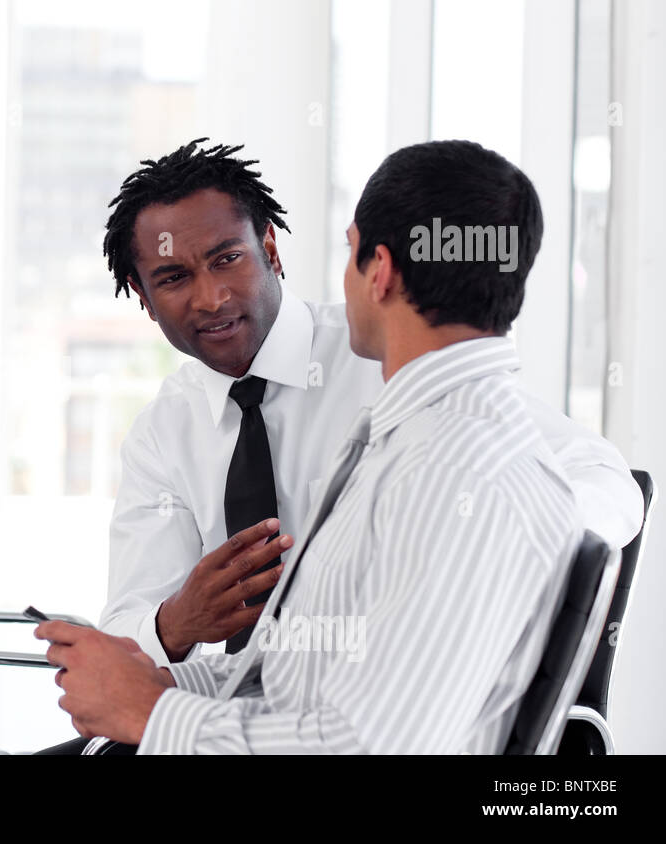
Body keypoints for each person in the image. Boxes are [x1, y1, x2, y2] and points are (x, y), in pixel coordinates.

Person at [36, 139, 593, 753]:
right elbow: (297, 674)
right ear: (144, 298)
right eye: (173, 276)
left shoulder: (456, 467)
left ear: (375, 269)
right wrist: (164, 674)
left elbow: (365, 744)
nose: (211, 298)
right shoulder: (398, 437)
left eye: (227, 259)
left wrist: (153, 714)